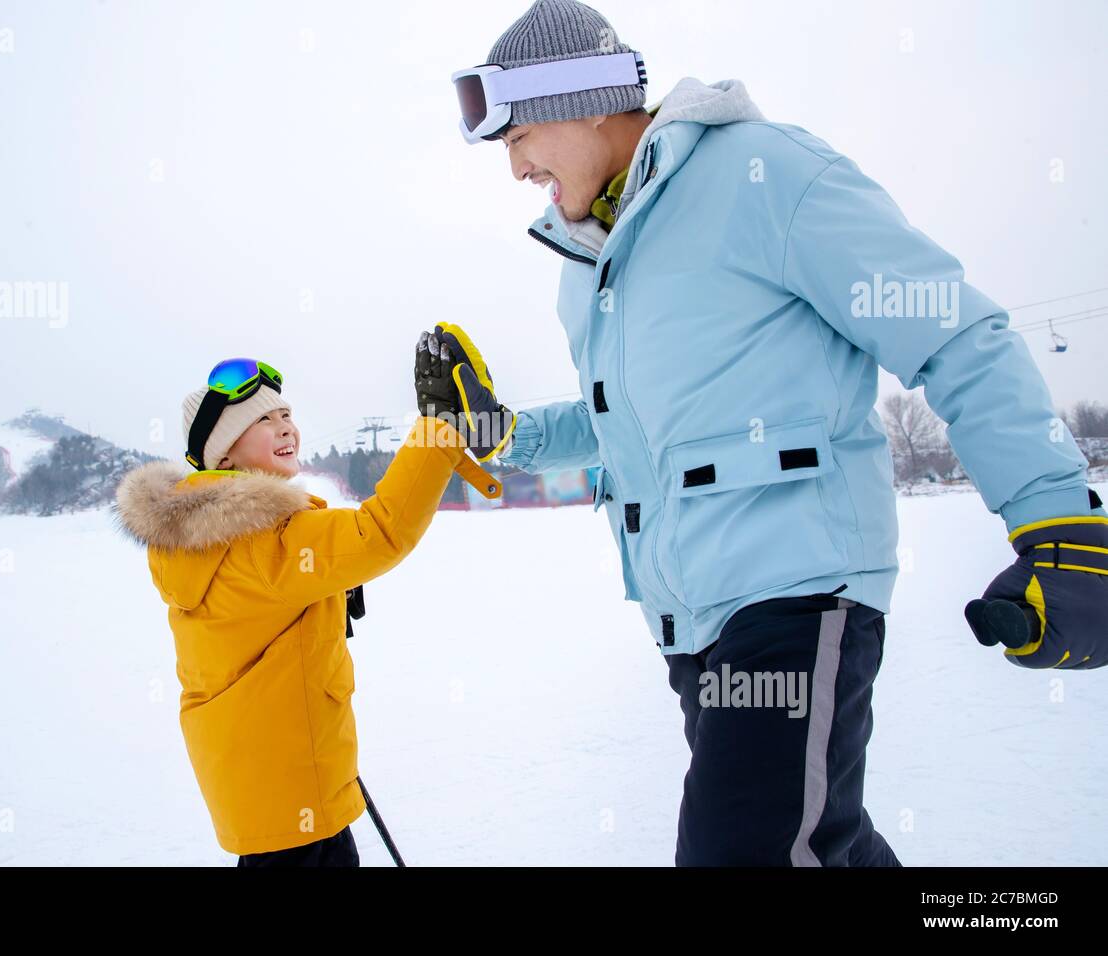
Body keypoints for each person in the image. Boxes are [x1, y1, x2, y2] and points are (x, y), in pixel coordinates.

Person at [449, 0, 1106, 865]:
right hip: (691, 621)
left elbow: (948, 329)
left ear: (586, 96)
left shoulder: (766, 175)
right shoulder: (590, 270)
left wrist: (1056, 515)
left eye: (515, 137)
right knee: (817, 842)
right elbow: (619, 428)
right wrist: (505, 435)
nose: (514, 169)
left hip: (796, 590)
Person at [114, 336, 510, 865]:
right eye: (263, 420)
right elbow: (380, 531)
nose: (285, 426)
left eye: (286, 413)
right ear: (224, 451)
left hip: (262, 792)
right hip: (292, 796)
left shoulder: (201, 539)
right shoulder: (261, 537)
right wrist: (438, 430)